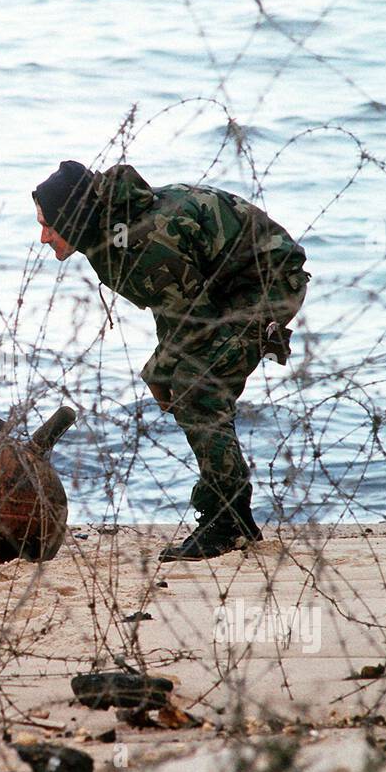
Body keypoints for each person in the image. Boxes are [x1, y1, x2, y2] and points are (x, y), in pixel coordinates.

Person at [33, 159, 310, 560]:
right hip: (224, 289)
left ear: (72, 219)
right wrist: (163, 371)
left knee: (199, 392)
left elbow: (190, 320)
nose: (43, 237)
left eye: (48, 224)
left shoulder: (141, 240)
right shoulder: (110, 230)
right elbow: (172, 308)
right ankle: (235, 519)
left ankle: (227, 525)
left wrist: (160, 372)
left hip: (266, 283)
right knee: (189, 382)